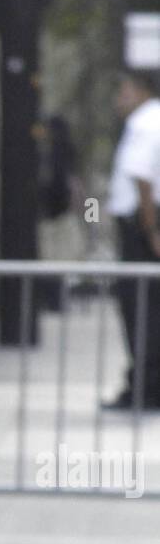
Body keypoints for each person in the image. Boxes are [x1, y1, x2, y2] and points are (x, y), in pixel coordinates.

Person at [106, 68, 160, 410]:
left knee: (139, 308)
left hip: (141, 227)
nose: (118, 99)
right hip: (146, 221)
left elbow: (142, 178)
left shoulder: (144, 123)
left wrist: (150, 230)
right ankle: (146, 382)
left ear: (142, 91)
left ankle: (145, 386)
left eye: (123, 91)